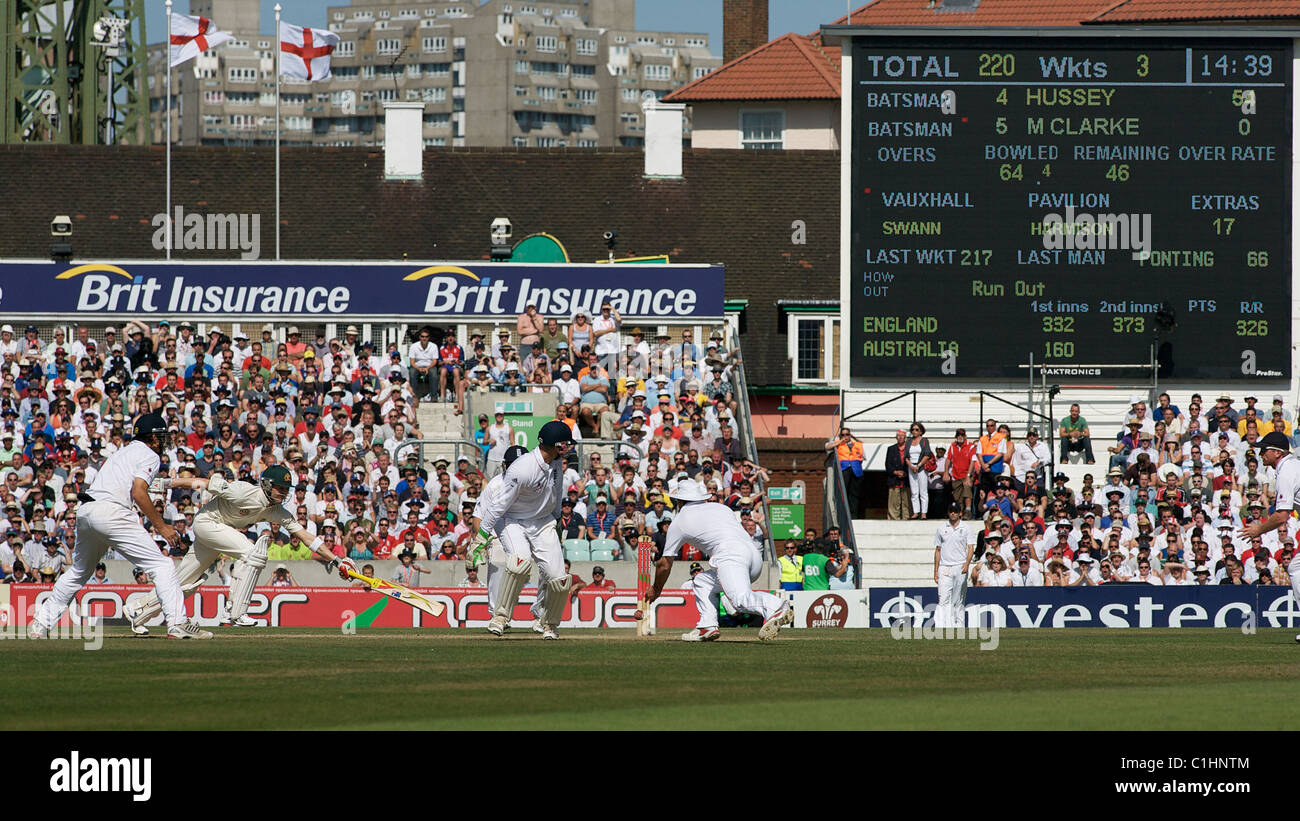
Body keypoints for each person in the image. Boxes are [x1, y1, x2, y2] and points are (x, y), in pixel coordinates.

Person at [29, 413, 212, 640]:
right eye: (162, 437)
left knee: (78, 571)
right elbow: (139, 492)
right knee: (163, 565)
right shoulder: (150, 455)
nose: (164, 442)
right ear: (153, 438)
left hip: (87, 511)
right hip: (112, 512)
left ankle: (40, 624)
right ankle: (178, 623)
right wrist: (162, 527)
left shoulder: (123, 452)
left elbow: (140, 486)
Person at [124, 465, 346, 633]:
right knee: (253, 553)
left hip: (219, 532)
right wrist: (165, 484)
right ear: (267, 485)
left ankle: (137, 610)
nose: (284, 493)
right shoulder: (243, 491)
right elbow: (203, 483)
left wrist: (337, 561)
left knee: (183, 583)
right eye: (280, 488)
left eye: (286, 489)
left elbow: (306, 536)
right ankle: (235, 611)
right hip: (207, 523)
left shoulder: (277, 510)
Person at [646, 479, 792, 642]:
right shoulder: (721, 507)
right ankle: (707, 626)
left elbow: (665, 564)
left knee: (739, 600)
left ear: (679, 500)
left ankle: (777, 607)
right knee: (701, 581)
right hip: (753, 556)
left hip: (730, 556)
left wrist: (656, 589)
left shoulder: (679, 521)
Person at [468, 420, 575, 639]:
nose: (567, 448)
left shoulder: (556, 462)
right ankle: (500, 617)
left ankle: (548, 624)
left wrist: (556, 520)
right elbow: (498, 506)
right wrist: (480, 539)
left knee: (560, 580)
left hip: (543, 522)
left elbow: (556, 492)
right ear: (554, 445)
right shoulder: (522, 469)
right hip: (512, 520)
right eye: (564, 444)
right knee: (519, 563)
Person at [934, 502, 975, 627]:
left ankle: (958, 624)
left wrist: (967, 564)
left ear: (960, 513)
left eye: (955, 511)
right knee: (943, 598)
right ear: (948, 513)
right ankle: (941, 625)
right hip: (944, 567)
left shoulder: (966, 528)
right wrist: (935, 571)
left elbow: (970, 548)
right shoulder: (941, 529)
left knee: (958, 598)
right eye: (951, 511)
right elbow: (938, 550)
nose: (953, 513)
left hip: (960, 566)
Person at [828, 427, 864, 518]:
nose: (845, 436)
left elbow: (862, 444)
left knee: (855, 494)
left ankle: (853, 515)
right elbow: (828, 447)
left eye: (847, 434)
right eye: (843, 435)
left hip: (856, 471)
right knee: (844, 493)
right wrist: (840, 441)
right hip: (845, 470)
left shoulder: (857, 444)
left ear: (850, 435)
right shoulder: (838, 444)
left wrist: (853, 437)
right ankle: (844, 513)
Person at [905, 422, 934, 519]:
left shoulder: (924, 441)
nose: (914, 431)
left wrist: (918, 465)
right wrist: (911, 466)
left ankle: (923, 513)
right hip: (911, 467)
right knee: (914, 491)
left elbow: (927, 454)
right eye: (913, 429)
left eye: (917, 429)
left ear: (921, 431)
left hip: (921, 467)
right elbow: (906, 456)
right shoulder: (908, 441)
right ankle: (916, 512)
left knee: (923, 491)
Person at [885, 428, 909, 520]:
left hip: (906, 480)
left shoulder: (909, 449)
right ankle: (893, 519)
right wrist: (895, 472)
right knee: (894, 503)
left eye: (902, 436)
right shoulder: (891, 449)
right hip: (894, 479)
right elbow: (888, 464)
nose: (900, 437)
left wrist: (905, 473)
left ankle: (907, 519)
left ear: (905, 437)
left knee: (907, 502)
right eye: (898, 436)